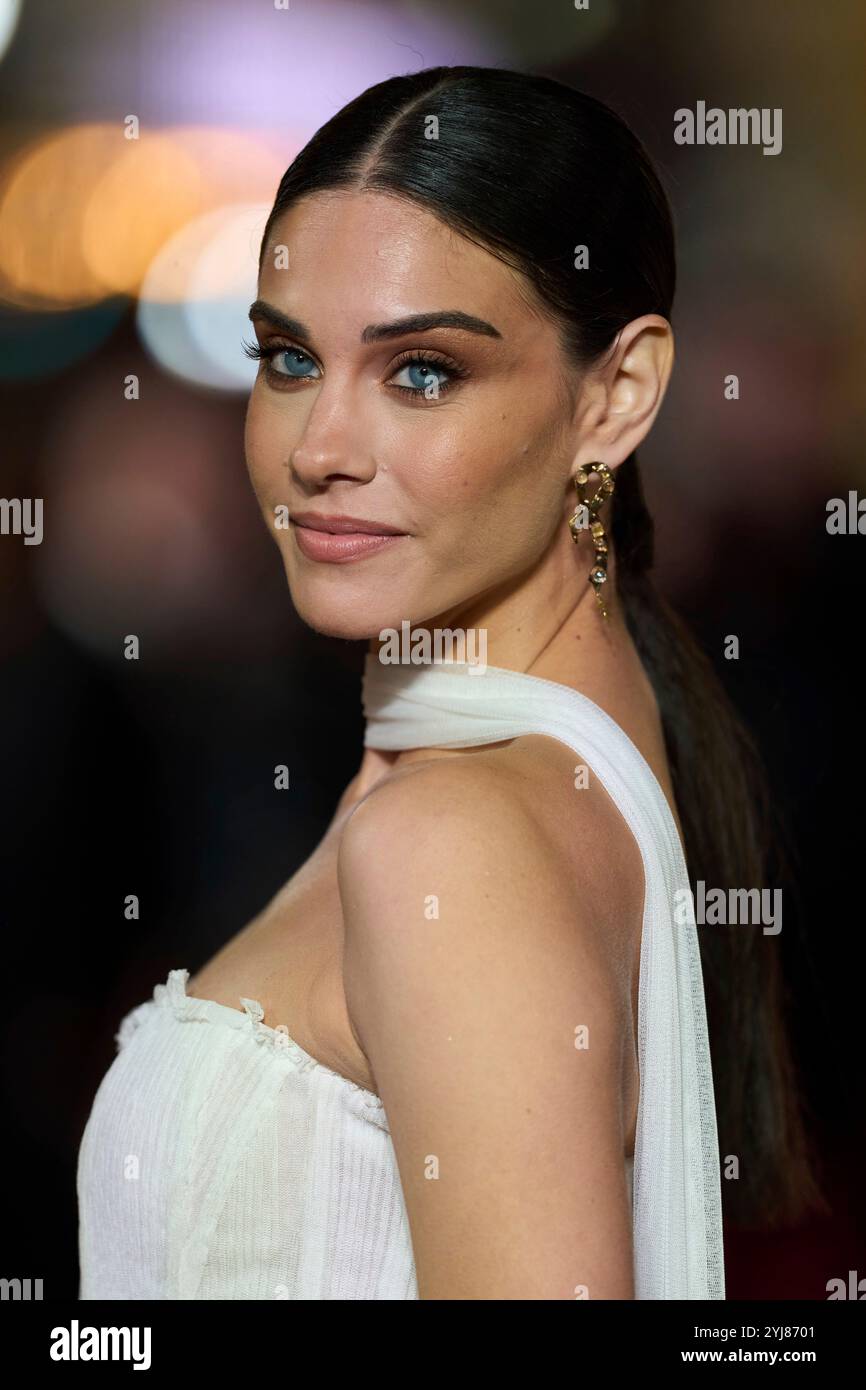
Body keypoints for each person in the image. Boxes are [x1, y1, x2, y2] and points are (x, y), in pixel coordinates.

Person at [77, 65, 818, 1301]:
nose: (318, 449)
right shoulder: (551, 766)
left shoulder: (449, 837)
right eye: (289, 359)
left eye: (421, 370)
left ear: (616, 395)